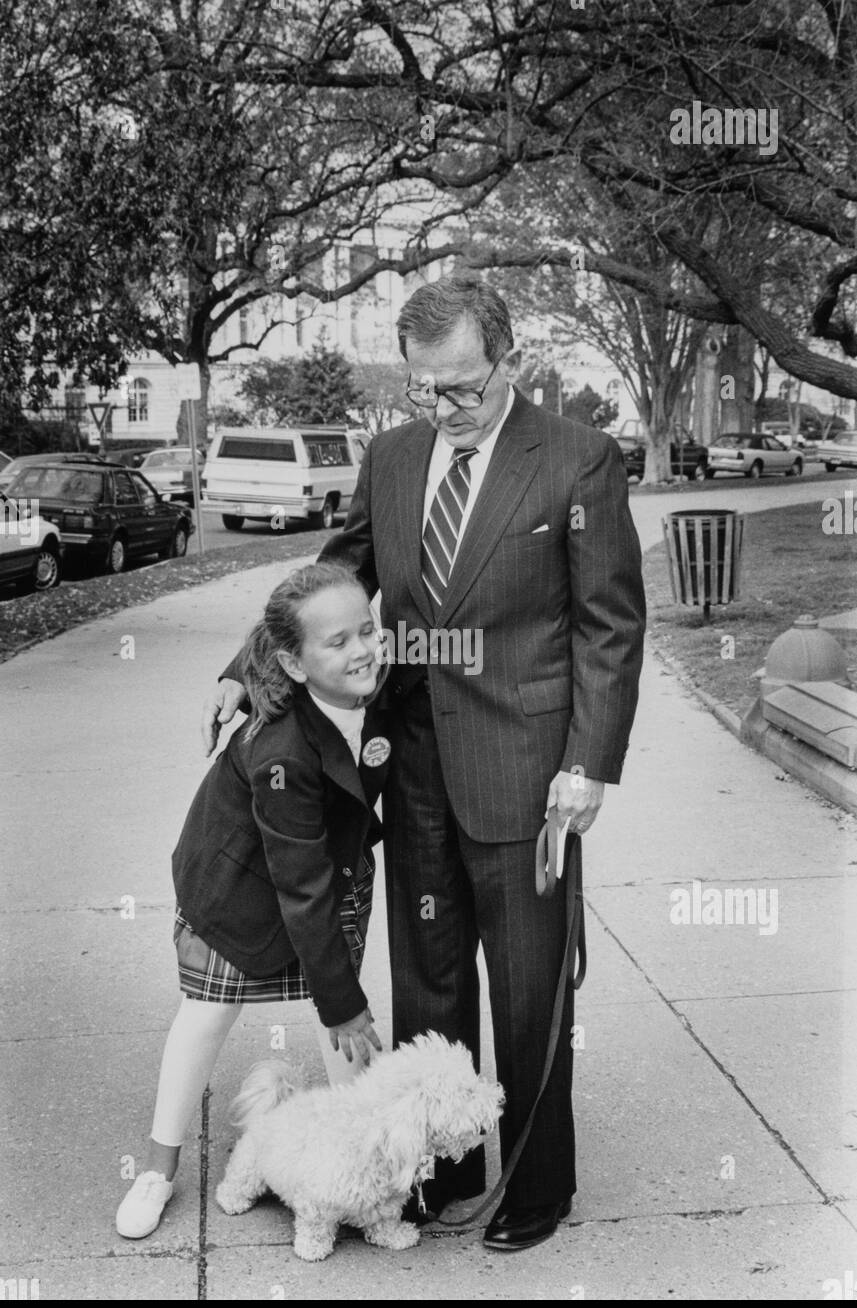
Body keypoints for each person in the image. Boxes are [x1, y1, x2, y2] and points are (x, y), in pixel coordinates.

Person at [204, 276, 646, 1252]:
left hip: (527, 776)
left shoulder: (576, 462)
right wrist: (250, 670)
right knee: (430, 983)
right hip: (411, 771)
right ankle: (449, 1168)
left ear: (508, 360)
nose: (444, 408)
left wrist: (588, 764)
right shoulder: (396, 457)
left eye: (461, 388)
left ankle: (538, 1184)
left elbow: (608, 628)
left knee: (529, 992)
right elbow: (339, 572)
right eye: (427, 390)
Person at [117, 561, 388, 1240]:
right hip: (239, 890)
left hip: (326, 875)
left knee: (343, 1024)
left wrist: (339, 1003)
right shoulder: (282, 749)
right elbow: (299, 883)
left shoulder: (373, 687)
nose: (362, 650)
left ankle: (363, 1161)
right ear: (294, 666)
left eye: (368, 631)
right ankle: (155, 1168)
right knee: (210, 1014)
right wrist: (341, 1001)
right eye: (338, 643)